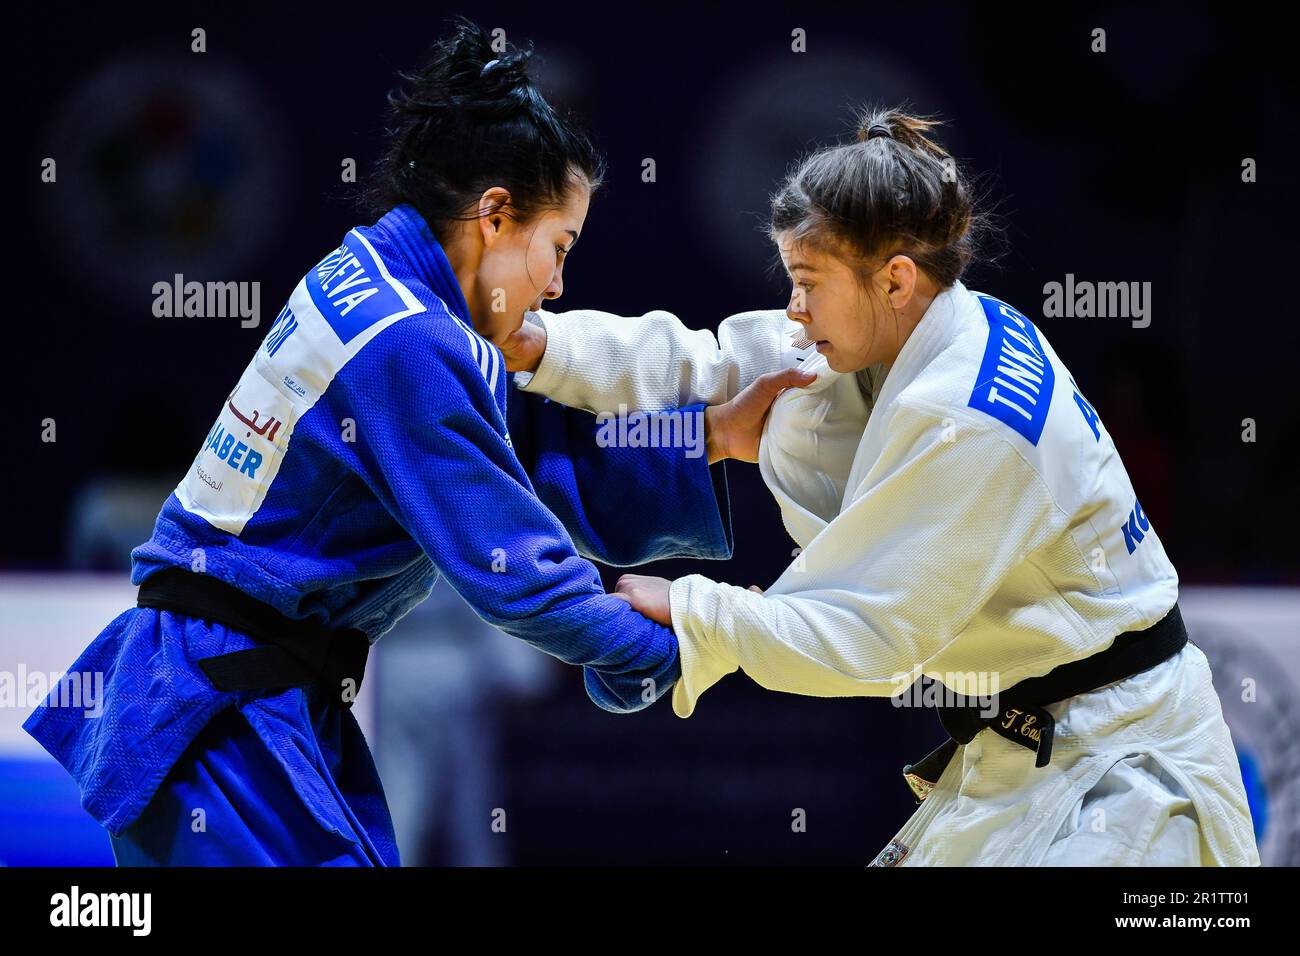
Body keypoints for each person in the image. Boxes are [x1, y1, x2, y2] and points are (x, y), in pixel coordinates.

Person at [23, 19, 751, 866]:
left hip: (236, 697)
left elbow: (516, 451)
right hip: (219, 715)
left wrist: (704, 437)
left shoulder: (371, 274)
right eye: (558, 248)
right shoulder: (406, 339)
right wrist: (689, 645)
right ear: (495, 215)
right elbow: (515, 569)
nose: (558, 285)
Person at [504, 109, 1261, 866]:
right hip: (1025, 741)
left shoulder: (971, 414)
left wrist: (697, 612)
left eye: (807, 283)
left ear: (894, 276)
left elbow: (871, 643)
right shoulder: (894, 334)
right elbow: (703, 365)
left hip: (1122, 765)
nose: (794, 307)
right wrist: (541, 344)